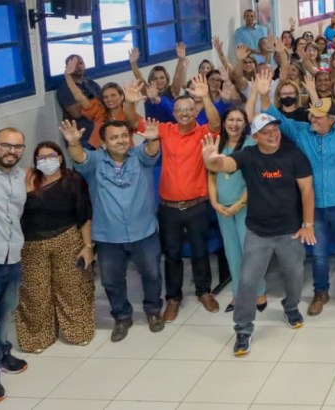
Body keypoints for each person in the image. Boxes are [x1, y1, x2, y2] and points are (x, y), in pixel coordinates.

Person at [252, 65, 335, 316]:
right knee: (319, 252)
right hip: (314, 205)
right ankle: (321, 292)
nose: (312, 119)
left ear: (332, 119)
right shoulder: (301, 132)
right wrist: (265, 94)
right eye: (312, 115)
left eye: (318, 117)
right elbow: (272, 114)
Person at [202, 114, 316, 356]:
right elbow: (225, 165)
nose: (273, 134)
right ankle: (243, 328)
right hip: (258, 232)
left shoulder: (293, 155)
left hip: (290, 231)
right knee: (247, 282)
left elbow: (306, 189)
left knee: (295, 275)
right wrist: (211, 160)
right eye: (266, 132)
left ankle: (291, 306)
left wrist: (308, 224)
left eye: (275, 129)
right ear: (255, 137)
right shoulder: (249, 156)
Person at [61, 119, 164, 343]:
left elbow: (152, 151)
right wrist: (73, 143)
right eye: (114, 137)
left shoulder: (138, 156)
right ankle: (122, 316)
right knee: (111, 280)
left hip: (143, 230)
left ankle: (153, 310)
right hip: (108, 235)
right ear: (104, 142)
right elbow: (79, 157)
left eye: (124, 136)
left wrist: (154, 137)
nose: (121, 140)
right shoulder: (96, 161)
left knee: (152, 274)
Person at [129, 76, 221, 321]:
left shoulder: (203, 132)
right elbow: (132, 121)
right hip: (168, 207)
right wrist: (130, 104)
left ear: (195, 112)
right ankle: (173, 298)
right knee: (171, 254)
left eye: (189, 109)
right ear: (174, 112)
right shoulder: (165, 131)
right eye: (180, 110)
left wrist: (206, 98)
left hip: (197, 205)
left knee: (200, 252)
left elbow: (215, 123)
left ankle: (204, 292)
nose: (184, 114)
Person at [16, 142, 95, 353]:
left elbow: (84, 215)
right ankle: (37, 338)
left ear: (60, 157)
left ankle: (78, 332)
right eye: (41, 158)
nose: (47, 161)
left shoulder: (73, 180)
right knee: (35, 292)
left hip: (67, 239)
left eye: (51, 156)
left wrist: (87, 246)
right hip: (31, 246)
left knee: (73, 287)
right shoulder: (26, 178)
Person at [207, 107, 268, 313]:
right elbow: (212, 175)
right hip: (222, 209)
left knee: (249, 252)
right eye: (230, 120)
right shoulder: (217, 144)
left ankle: (259, 291)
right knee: (232, 253)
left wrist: (239, 204)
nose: (234, 124)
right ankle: (238, 294)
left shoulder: (252, 144)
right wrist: (215, 203)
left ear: (245, 124)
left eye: (239, 120)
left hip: (245, 207)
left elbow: (255, 181)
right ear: (224, 123)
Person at [0, 128, 28, 402]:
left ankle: (3, 352)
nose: (12, 151)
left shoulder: (20, 176)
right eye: (6, 145)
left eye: (18, 147)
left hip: (13, 255)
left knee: (5, 314)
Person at [55, 55, 101, 149]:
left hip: (97, 133)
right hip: (80, 137)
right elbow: (77, 113)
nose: (79, 67)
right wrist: (93, 103)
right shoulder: (64, 89)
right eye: (74, 65)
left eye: (81, 63)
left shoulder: (91, 84)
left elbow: (103, 106)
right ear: (67, 68)